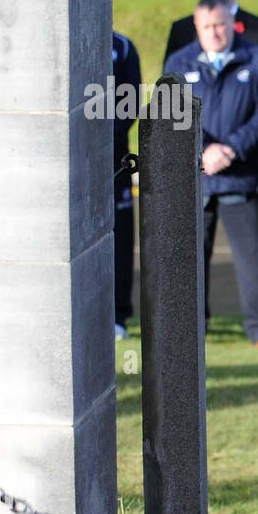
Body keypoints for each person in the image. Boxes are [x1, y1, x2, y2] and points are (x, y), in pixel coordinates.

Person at [164, 0, 258, 348]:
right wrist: (203, 151)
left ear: (231, 23)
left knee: (253, 262)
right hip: (195, 178)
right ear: (197, 28)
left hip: (240, 176)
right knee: (189, 261)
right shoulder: (178, 62)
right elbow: (172, 115)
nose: (214, 32)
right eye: (206, 27)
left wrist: (230, 149)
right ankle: (189, 331)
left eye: (220, 25)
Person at [112, 31, 141, 339]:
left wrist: (104, 137)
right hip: (73, 157)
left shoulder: (121, 47)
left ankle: (119, 314)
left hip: (114, 158)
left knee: (120, 237)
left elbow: (129, 102)